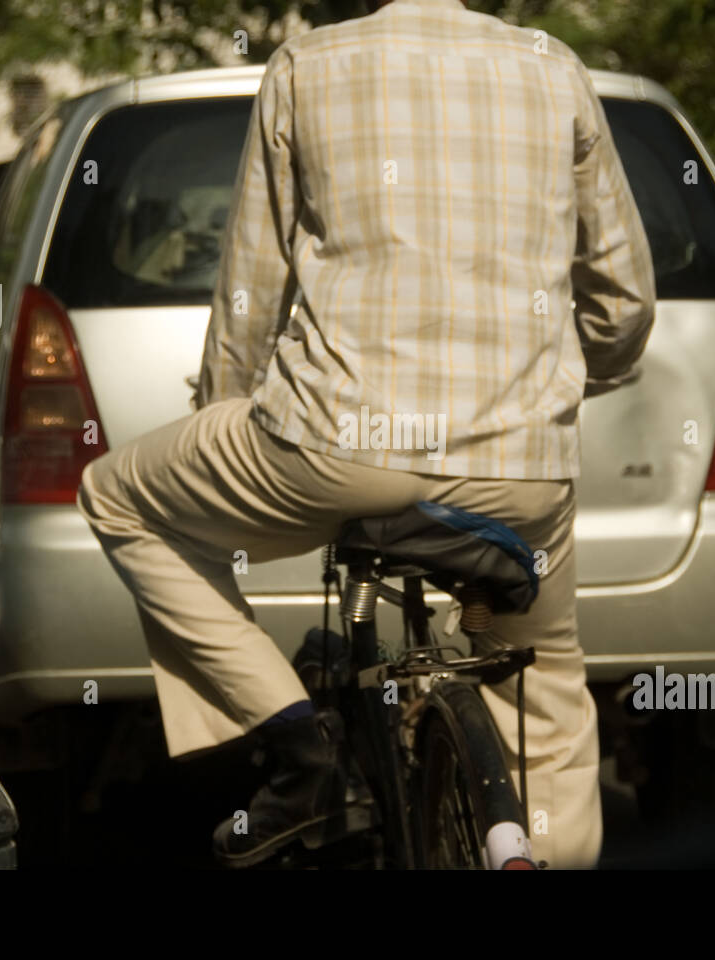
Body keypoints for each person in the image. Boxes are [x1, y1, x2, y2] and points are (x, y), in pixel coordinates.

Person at [76, 0, 654, 869]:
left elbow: (249, 290)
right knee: (544, 681)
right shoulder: (552, 66)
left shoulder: (307, 66)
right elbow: (625, 299)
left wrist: (226, 414)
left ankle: (294, 744)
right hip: (519, 472)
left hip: (334, 449)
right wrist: (577, 382)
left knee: (116, 496)